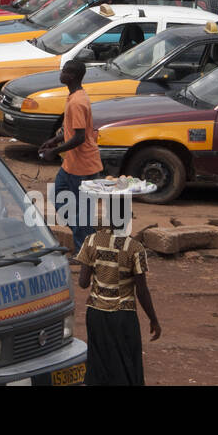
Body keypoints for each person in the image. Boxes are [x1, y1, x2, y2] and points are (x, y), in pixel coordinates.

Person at [76, 193, 161, 386]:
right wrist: (153, 319)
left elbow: (82, 282)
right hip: (123, 315)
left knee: (99, 368)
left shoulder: (91, 241)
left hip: (96, 314)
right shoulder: (135, 248)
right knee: (127, 367)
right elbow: (142, 290)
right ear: (127, 219)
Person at [39, 60, 103, 251]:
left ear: (72, 76)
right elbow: (73, 131)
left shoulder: (77, 102)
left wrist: (53, 151)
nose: (61, 73)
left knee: (80, 211)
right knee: (59, 198)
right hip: (72, 164)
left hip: (82, 167)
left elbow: (80, 137)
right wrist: (55, 140)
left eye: (65, 71)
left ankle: (86, 250)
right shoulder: (75, 96)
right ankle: (86, 241)